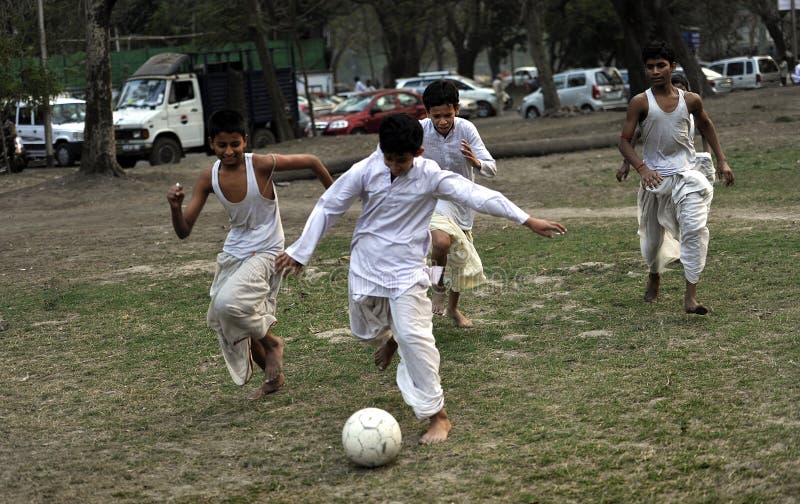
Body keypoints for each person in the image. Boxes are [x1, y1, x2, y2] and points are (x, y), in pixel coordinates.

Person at [275, 114, 566, 445]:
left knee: (417, 339)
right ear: (380, 149)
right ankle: (391, 339)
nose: (395, 166)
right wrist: (301, 250)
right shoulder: (366, 169)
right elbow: (329, 207)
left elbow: (478, 195)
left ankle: (438, 415)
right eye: (390, 158)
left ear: (419, 152)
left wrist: (526, 219)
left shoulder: (430, 175)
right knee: (364, 331)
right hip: (365, 267)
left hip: (407, 271)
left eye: (403, 160)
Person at [166, 109, 333, 400]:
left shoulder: (261, 165)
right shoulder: (209, 177)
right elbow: (184, 231)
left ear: (245, 140)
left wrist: (335, 198)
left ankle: (272, 345)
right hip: (234, 253)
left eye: (235, 144)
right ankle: (274, 378)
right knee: (228, 316)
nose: (229, 151)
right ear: (211, 144)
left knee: (230, 303)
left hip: (268, 250)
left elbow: (313, 162)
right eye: (222, 145)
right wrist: (174, 207)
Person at [618, 41, 734, 315]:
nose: (656, 71)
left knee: (694, 230)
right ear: (645, 69)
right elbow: (624, 141)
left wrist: (722, 160)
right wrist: (640, 168)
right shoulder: (640, 102)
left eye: (661, 65)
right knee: (652, 242)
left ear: (672, 67)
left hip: (688, 177)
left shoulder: (691, 100)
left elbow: (707, 126)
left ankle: (690, 297)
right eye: (650, 67)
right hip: (656, 182)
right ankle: (654, 274)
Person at [420, 79, 496, 328]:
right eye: (437, 116)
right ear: (427, 112)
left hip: (462, 201)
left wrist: (476, 162)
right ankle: (437, 285)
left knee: (459, 258)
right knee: (441, 242)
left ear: (457, 110)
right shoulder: (419, 130)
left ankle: (453, 308)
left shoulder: (466, 129)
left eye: (448, 115)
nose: (442, 121)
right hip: (432, 200)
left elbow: (491, 168)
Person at [617, 73, 714, 185]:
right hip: (660, 171)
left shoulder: (693, 112)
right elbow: (632, 137)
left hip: (687, 166)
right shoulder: (652, 111)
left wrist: (708, 156)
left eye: (681, 89)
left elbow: (706, 131)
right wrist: (627, 162)